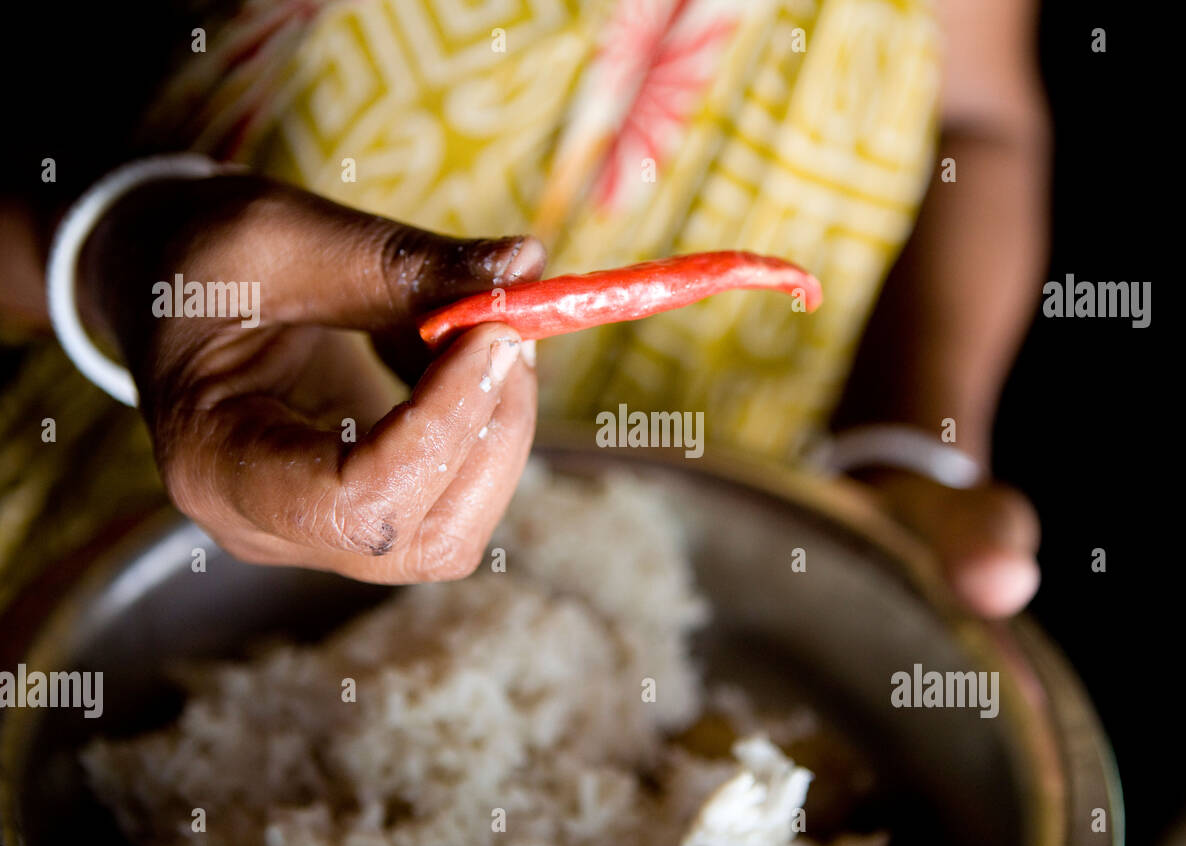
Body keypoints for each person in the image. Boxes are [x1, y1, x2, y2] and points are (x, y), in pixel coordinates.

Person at [0, 0, 1046, 617]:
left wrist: (913, 448)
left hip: (670, 590)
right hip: (112, 531)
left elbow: (980, 119)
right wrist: (117, 247)